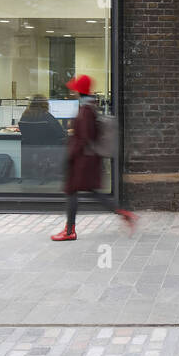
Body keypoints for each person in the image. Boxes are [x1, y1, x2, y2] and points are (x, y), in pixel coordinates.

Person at [51, 75, 137, 242]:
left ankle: (70, 231)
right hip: (87, 159)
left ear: (79, 92)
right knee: (90, 192)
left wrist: (70, 155)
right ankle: (123, 214)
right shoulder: (89, 107)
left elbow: (84, 138)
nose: (73, 92)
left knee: (72, 192)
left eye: (75, 90)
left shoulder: (85, 111)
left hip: (83, 160)